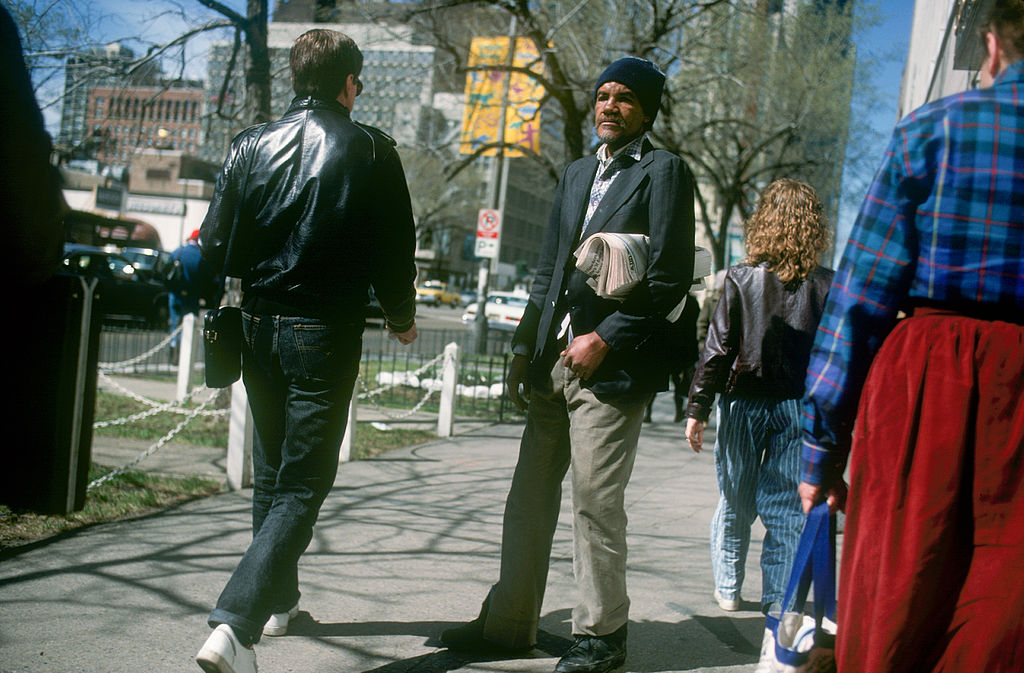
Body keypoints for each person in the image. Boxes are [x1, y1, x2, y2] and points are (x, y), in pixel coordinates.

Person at [441, 56, 696, 673]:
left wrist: (605, 337)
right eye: (603, 95)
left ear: (647, 110)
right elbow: (548, 271)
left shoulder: (665, 174)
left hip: (612, 370)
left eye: (625, 98)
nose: (609, 106)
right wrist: (525, 348)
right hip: (555, 360)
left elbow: (668, 281)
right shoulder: (578, 172)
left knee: (594, 500)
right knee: (528, 496)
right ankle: (509, 623)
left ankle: (602, 636)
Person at [800, 2, 1024, 670]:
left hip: (929, 378)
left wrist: (820, 450)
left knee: (899, 588)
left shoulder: (933, 130)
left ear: (991, 45)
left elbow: (860, 300)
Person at [194, 29, 418, 673]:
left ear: (297, 78)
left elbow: (213, 240)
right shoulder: (373, 149)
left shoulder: (249, 144)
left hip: (257, 325)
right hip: (324, 329)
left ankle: (279, 601)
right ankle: (235, 625)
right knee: (304, 482)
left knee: (273, 470)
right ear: (350, 81)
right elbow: (393, 249)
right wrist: (402, 318)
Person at [684, 179, 832, 617]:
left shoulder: (739, 278)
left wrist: (697, 409)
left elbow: (717, 349)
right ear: (814, 228)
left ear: (763, 223)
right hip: (797, 407)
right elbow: (833, 357)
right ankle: (779, 597)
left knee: (735, 497)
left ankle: (728, 586)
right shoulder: (828, 286)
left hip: (743, 401)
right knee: (786, 504)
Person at [166, 229, 221, 347]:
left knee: (175, 323)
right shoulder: (201, 256)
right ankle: (182, 350)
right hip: (192, 295)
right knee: (189, 325)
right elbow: (209, 278)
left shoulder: (178, 251)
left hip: (175, 294)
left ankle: (173, 346)